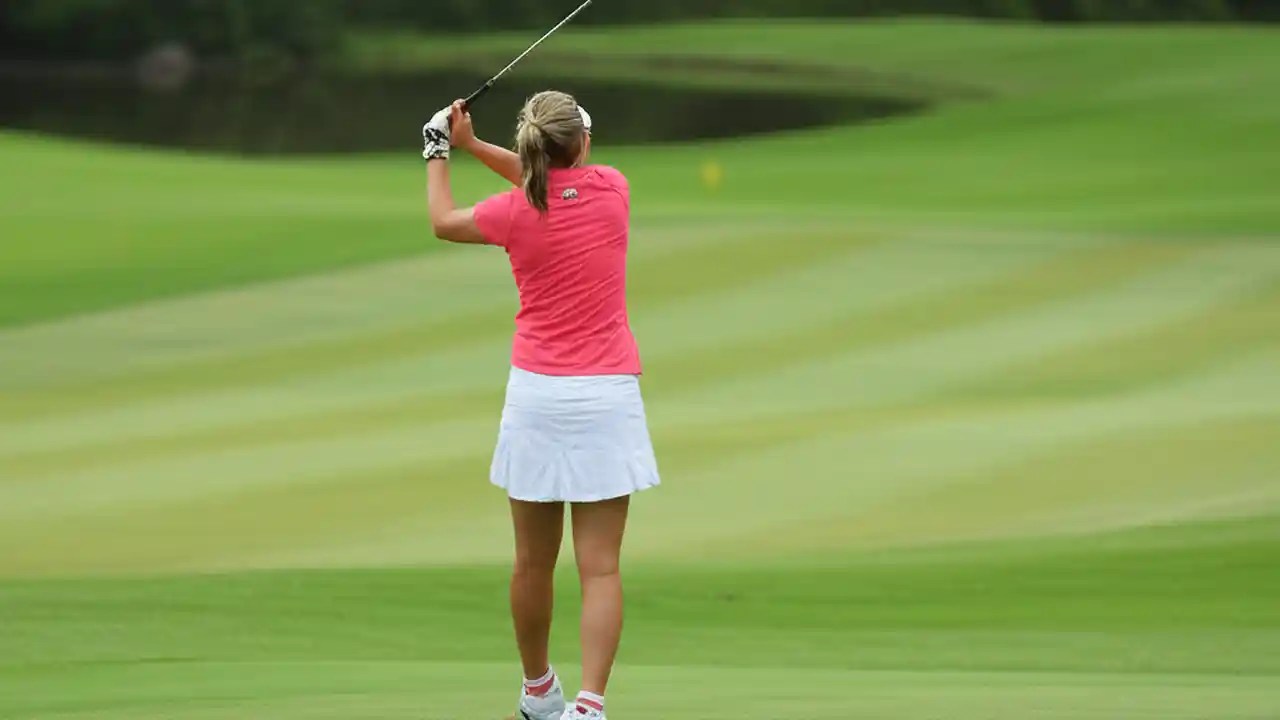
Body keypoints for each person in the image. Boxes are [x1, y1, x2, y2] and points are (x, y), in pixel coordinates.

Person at [422, 92, 661, 720]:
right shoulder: (613, 190)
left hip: (536, 395)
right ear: (581, 144)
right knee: (601, 569)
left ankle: (538, 692)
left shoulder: (512, 213)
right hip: (606, 394)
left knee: (532, 560)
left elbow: (444, 220)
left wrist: (443, 150)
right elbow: (555, 181)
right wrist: (473, 147)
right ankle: (587, 707)